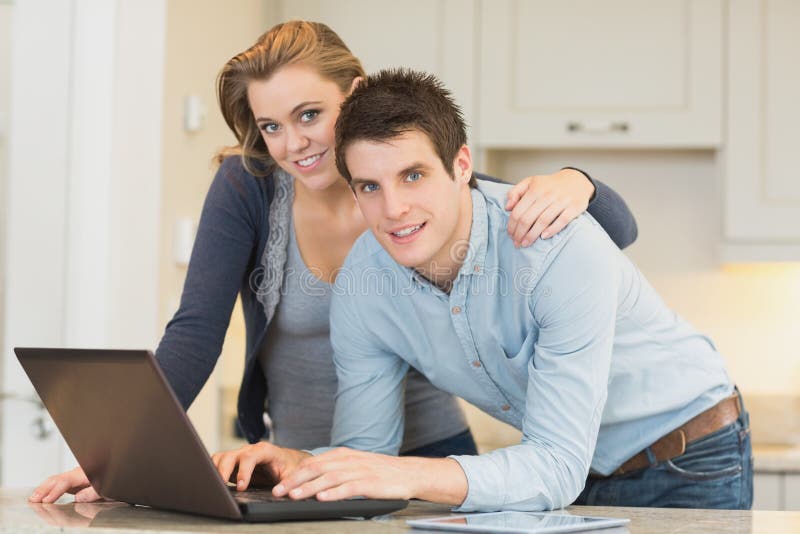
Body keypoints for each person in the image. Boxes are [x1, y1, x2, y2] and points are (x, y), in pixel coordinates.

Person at [29, 22, 638, 504]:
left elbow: (605, 229)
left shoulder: (403, 184)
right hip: (295, 457)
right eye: (271, 125)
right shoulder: (249, 188)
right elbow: (194, 334)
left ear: (355, 95)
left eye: (310, 115)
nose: (294, 144)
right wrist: (118, 453)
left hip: (424, 455)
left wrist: (576, 180)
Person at [209, 68, 752, 511]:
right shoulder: (362, 287)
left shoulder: (554, 247)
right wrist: (303, 462)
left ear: (461, 164)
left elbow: (553, 468)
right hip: (567, 471)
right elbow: (367, 453)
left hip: (689, 453)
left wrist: (402, 474)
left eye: (413, 175)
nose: (393, 209)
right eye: (370, 187)